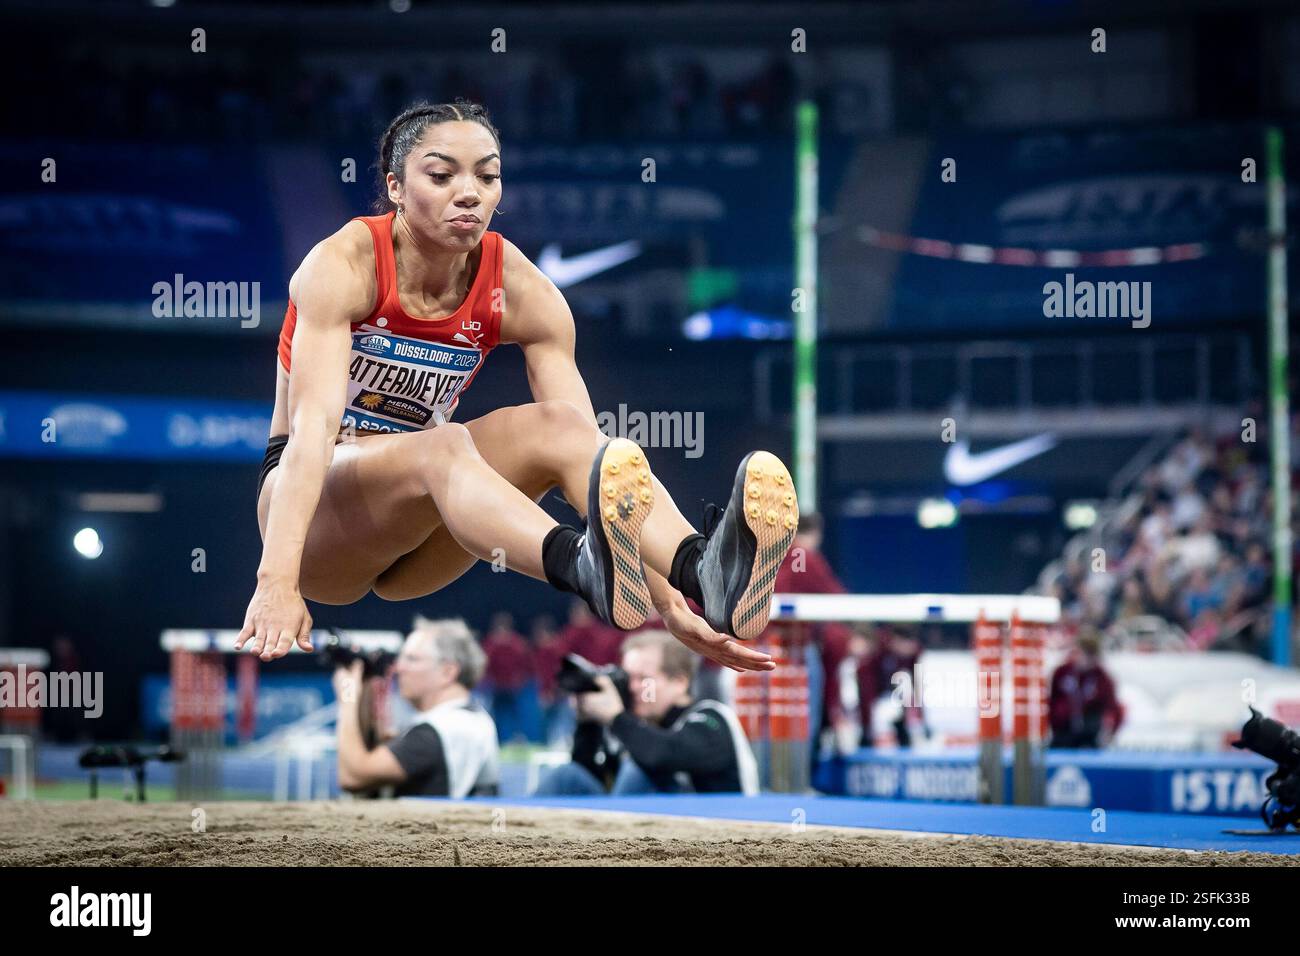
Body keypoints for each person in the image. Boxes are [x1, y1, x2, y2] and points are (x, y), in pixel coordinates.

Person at [235, 99, 796, 674]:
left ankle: (704, 569)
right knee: (445, 442)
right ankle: (580, 565)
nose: (469, 192)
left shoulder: (521, 289)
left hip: (425, 531)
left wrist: (670, 605)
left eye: (487, 174)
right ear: (396, 187)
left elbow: (601, 478)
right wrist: (276, 578)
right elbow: (311, 433)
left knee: (562, 428)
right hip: (316, 520)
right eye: (441, 174)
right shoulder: (342, 265)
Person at [534, 630, 758, 795]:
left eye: (643, 679)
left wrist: (615, 717)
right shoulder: (638, 728)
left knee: (639, 769)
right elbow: (594, 780)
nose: (631, 687)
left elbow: (663, 754)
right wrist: (589, 722)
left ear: (679, 682)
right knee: (568, 776)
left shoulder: (712, 719)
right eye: (627, 678)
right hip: (649, 834)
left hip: (717, 841)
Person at [334, 617, 499, 797]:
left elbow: (353, 776)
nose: (399, 668)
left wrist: (347, 694)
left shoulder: (438, 731)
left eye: (412, 659)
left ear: (448, 672)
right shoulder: (469, 719)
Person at [1048, 628, 1124, 749]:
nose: (1086, 660)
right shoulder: (1061, 673)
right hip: (1063, 733)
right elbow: (1051, 701)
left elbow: (1113, 709)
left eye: (1091, 656)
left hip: (1090, 737)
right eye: (1084, 654)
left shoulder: (1103, 679)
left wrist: (1110, 729)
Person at [481, 611, 537, 742]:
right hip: (497, 687)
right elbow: (484, 662)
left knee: (517, 715)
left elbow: (527, 663)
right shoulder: (492, 643)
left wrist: (521, 679)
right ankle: (499, 740)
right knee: (497, 715)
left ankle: (519, 739)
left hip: (513, 687)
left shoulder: (516, 643)